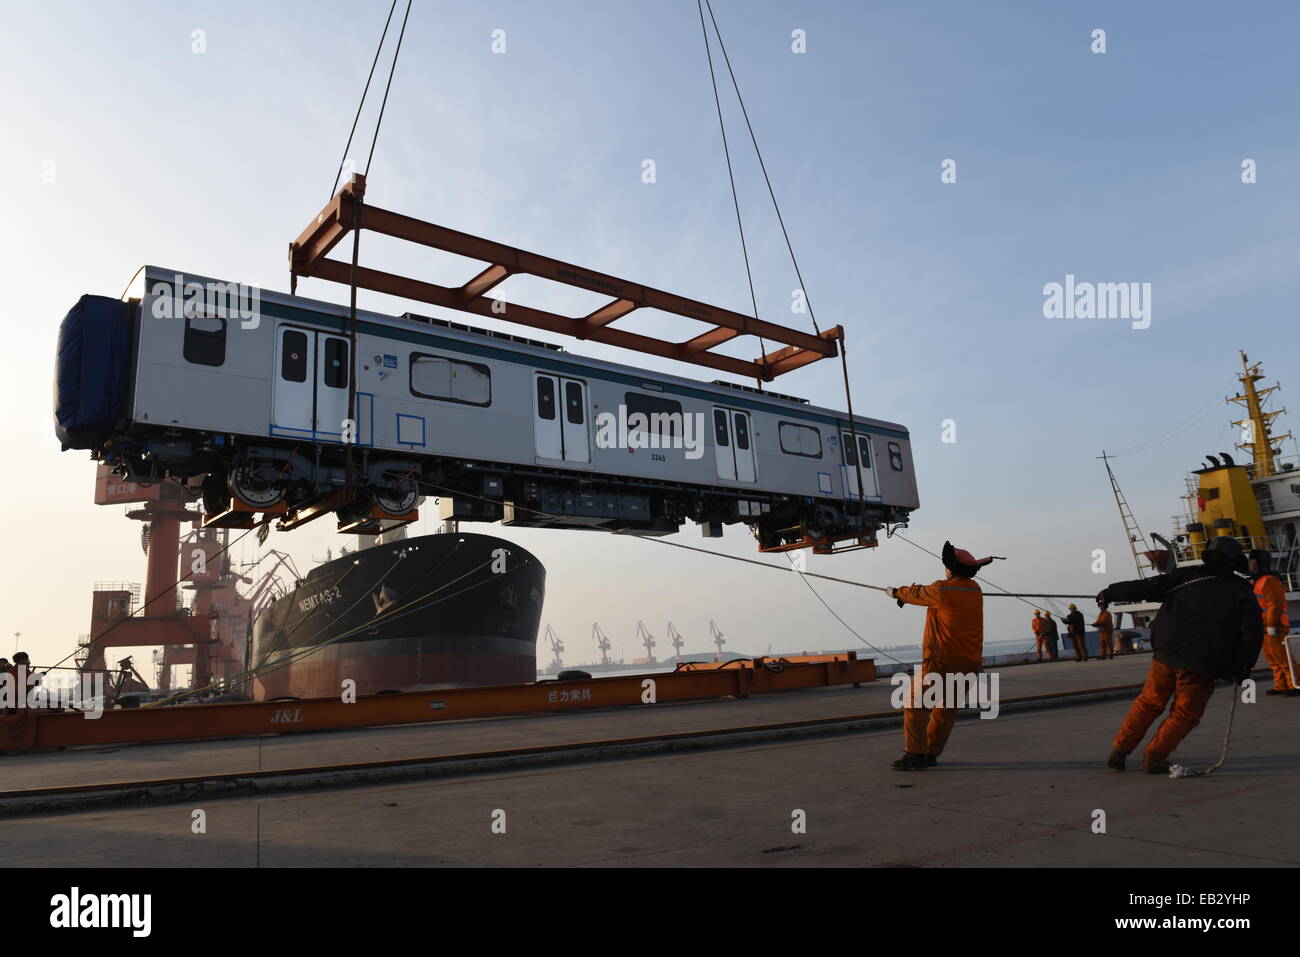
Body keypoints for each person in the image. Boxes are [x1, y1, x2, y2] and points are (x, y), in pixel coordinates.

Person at [1101, 536, 1263, 774]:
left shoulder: (1187, 576)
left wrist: (1110, 592)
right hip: (1203, 662)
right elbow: (1251, 635)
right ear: (1235, 562)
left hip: (1167, 653)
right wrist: (1242, 668)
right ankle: (1154, 758)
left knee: (1148, 703)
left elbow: (1147, 587)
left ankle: (1120, 749)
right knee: (1185, 713)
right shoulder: (1243, 592)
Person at [885, 541, 1000, 771]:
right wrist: (907, 597)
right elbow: (927, 598)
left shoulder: (942, 590)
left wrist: (896, 592)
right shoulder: (975, 590)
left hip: (942, 662)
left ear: (950, 569)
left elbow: (918, 593)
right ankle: (930, 754)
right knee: (945, 709)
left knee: (915, 704)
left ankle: (915, 754)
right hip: (969, 663)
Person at [1249, 549, 1296, 696]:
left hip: (1276, 626)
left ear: (1259, 563)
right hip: (1264, 626)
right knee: (1272, 658)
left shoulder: (1270, 581)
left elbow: (1275, 604)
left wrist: (1271, 625)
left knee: (1282, 657)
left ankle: (1295, 683)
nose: (1250, 565)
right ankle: (1281, 684)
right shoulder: (1259, 581)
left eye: (1252, 562)